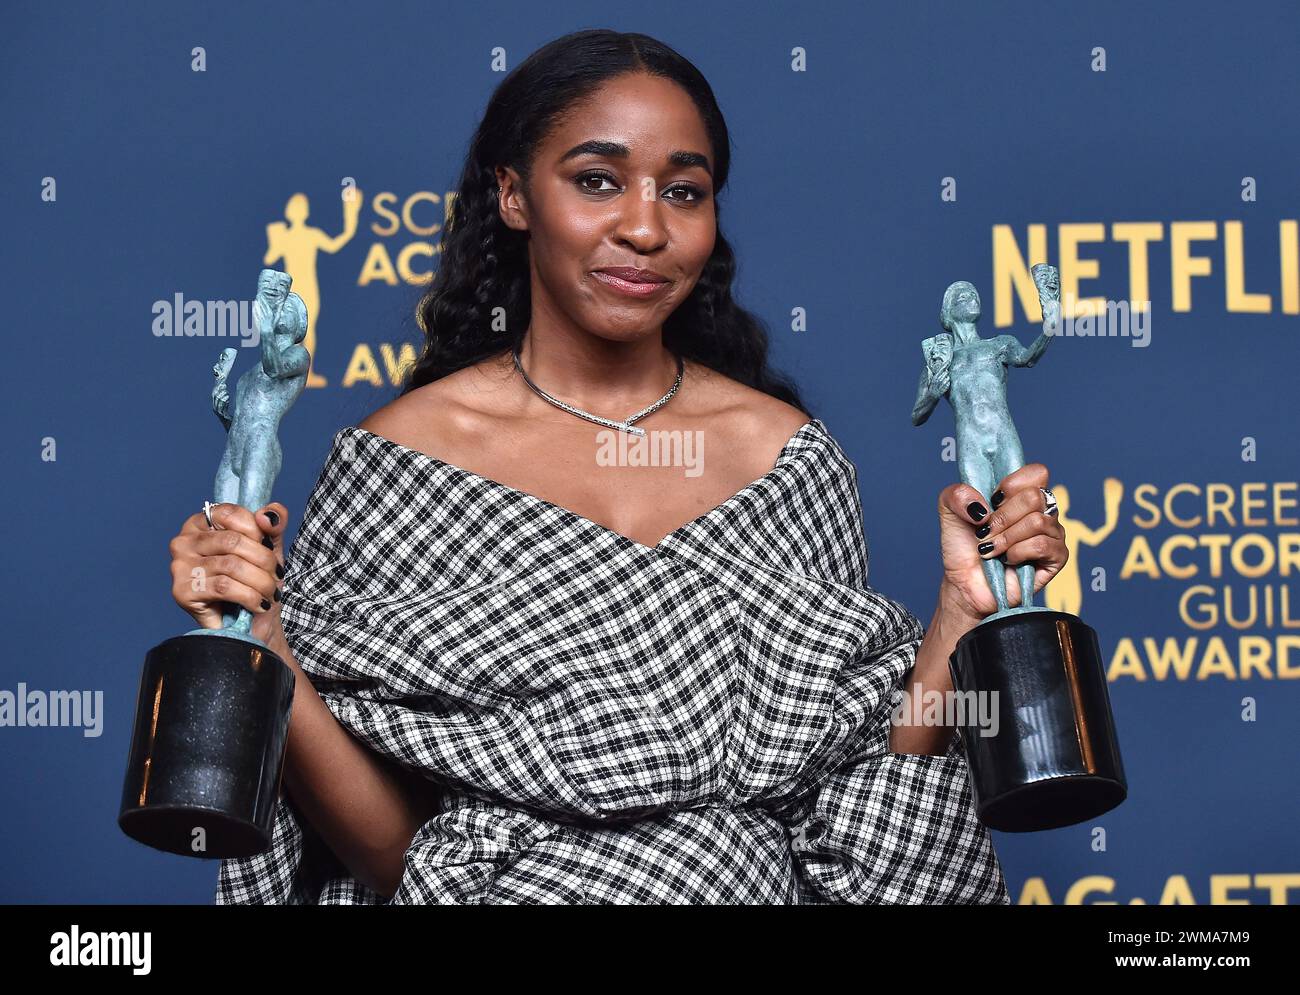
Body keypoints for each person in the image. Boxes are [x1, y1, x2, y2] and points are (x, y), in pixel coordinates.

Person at [168, 29, 1067, 904]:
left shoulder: (787, 460)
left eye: (683, 192)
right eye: (597, 181)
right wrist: (262, 635)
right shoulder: (398, 461)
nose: (644, 227)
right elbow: (397, 858)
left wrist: (961, 609)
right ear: (515, 196)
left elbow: (877, 827)